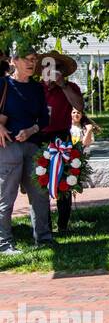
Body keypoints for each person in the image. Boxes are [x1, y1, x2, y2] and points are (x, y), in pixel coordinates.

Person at [0, 41, 53, 254]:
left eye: (34, 59)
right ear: (14, 61)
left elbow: (45, 118)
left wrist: (32, 130)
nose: (32, 63)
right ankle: (4, 244)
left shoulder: (37, 88)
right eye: (27, 59)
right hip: (8, 148)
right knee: (6, 196)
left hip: (33, 145)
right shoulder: (3, 85)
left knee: (39, 194)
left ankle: (44, 239)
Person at [40, 50, 85, 235]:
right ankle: (45, 225)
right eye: (48, 66)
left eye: (57, 67)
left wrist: (62, 85)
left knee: (65, 179)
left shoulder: (70, 86)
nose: (52, 70)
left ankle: (63, 224)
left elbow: (79, 107)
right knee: (41, 180)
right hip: (40, 137)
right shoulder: (35, 88)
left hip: (62, 136)